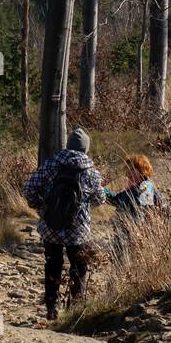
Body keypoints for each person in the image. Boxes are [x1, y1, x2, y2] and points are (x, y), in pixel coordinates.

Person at [23, 127, 106, 320]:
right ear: (86, 148)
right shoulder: (92, 172)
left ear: (68, 145)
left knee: (53, 264)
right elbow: (100, 198)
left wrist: (42, 209)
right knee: (79, 266)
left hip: (50, 226)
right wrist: (83, 209)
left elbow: (28, 190)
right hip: (78, 230)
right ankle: (74, 308)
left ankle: (52, 308)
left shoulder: (51, 164)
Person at [104, 154, 161, 259]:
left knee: (122, 261)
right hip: (128, 231)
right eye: (127, 168)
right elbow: (117, 199)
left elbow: (143, 210)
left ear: (141, 170)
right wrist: (103, 191)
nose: (127, 172)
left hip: (132, 234)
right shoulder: (140, 186)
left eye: (132, 169)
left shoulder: (143, 187)